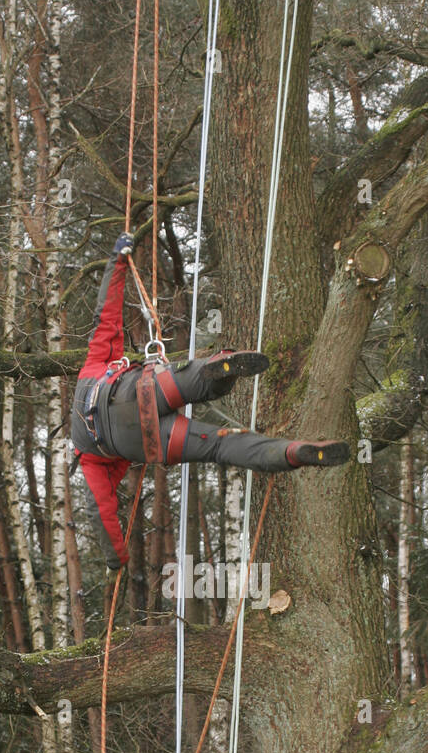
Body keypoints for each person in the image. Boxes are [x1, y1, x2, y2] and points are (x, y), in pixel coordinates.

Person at [72, 232, 350, 570]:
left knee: (220, 446)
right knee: (195, 379)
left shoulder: (89, 460)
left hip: (146, 441)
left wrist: (116, 558)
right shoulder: (90, 370)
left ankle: (292, 452)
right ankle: (219, 369)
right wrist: (117, 261)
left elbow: (100, 510)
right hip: (141, 389)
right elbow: (107, 315)